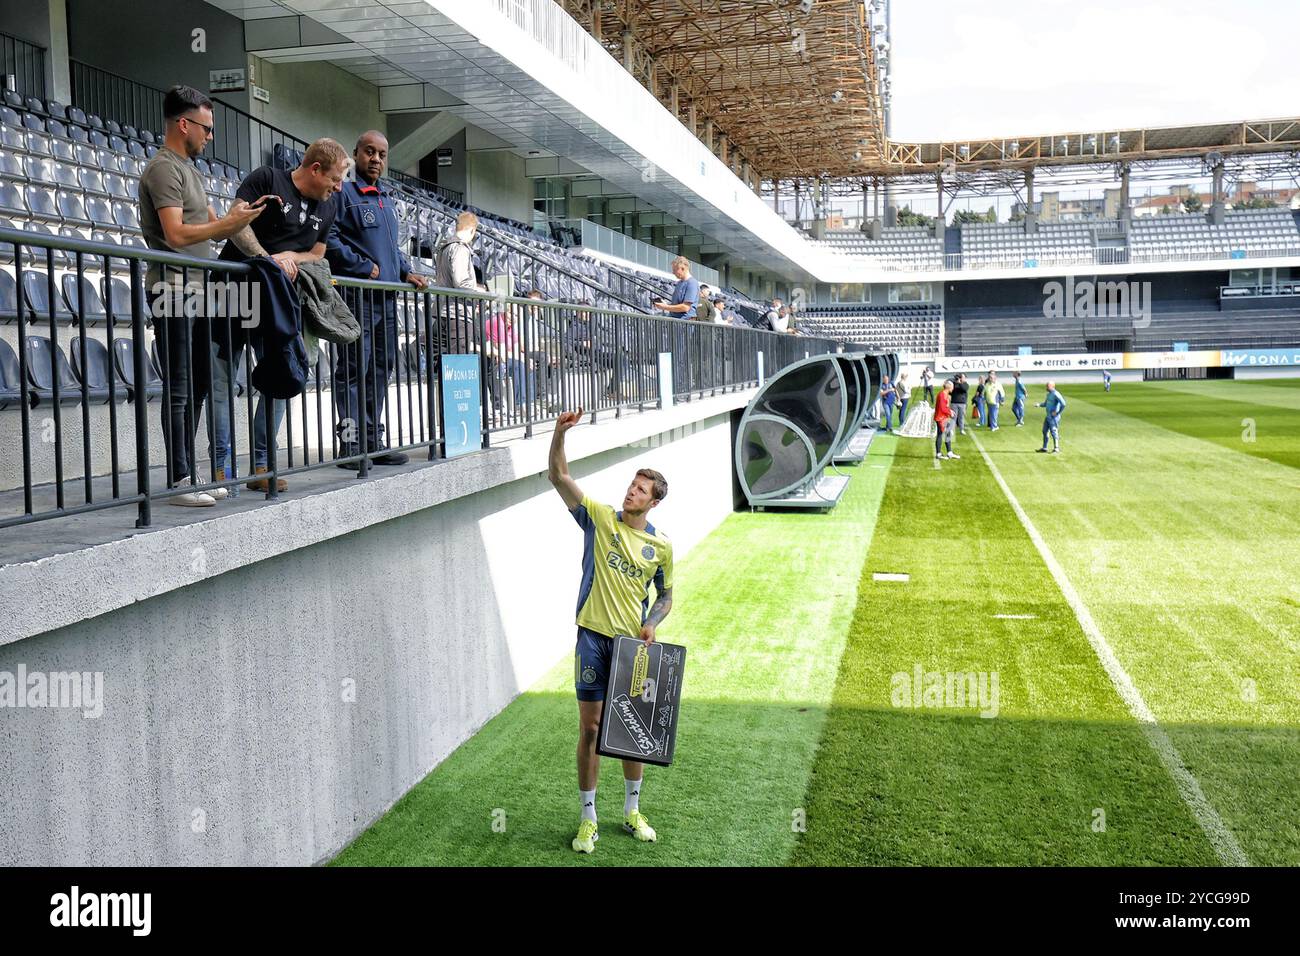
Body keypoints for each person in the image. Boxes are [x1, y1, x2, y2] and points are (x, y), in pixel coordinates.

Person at [548, 407, 673, 855]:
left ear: (653, 502)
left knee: (632, 733)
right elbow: (558, 476)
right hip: (591, 639)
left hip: (630, 649)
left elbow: (666, 597)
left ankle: (632, 811)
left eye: (640, 491)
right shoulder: (600, 518)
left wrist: (652, 623)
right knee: (591, 728)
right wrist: (560, 434)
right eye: (631, 485)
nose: (631, 492)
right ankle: (588, 820)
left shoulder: (660, 547)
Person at [138, 84, 270, 506]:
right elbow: (176, 233)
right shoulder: (163, 168)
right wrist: (227, 225)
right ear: (184, 124)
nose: (210, 136)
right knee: (179, 386)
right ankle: (179, 480)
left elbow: (215, 223)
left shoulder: (190, 169)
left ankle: (189, 476)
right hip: (171, 289)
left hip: (195, 290)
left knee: (193, 385)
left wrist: (240, 226)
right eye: (206, 128)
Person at [217, 137, 348, 492]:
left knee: (282, 376)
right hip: (232, 287)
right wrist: (265, 259)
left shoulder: (329, 204)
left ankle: (262, 466)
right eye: (335, 179)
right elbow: (236, 223)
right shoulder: (266, 178)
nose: (338, 188)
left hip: (276, 299)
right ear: (315, 169)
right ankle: (220, 470)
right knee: (222, 381)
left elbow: (318, 253)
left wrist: (288, 257)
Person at [325, 130, 427, 469]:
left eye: (382, 154)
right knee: (353, 370)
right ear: (356, 154)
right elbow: (329, 239)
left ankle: (374, 440)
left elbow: (392, 249)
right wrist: (362, 266)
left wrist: (406, 271)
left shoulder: (386, 200)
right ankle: (350, 445)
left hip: (386, 300)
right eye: (370, 152)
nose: (376, 160)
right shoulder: (342, 193)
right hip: (355, 298)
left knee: (380, 369)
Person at [1036, 380, 1067, 454]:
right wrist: (1039, 405)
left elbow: (1063, 404)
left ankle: (1056, 448)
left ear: (1052, 386)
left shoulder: (1056, 394)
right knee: (1044, 431)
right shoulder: (1049, 394)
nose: (1046, 387)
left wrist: (1057, 412)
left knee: (1054, 431)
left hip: (1054, 417)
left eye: (1047, 386)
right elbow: (1046, 404)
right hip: (1048, 416)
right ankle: (1044, 448)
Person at [933, 379, 959, 460]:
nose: (953, 388)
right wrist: (949, 412)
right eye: (952, 387)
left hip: (944, 417)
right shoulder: (942, 394)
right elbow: (942, 408)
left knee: (947, 434)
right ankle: (939, 454)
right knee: (940, 435)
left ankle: (949, 452)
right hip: (941, 418)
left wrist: (949, 411)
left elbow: (945, 407)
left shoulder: (945, 394)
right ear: (949, 387)